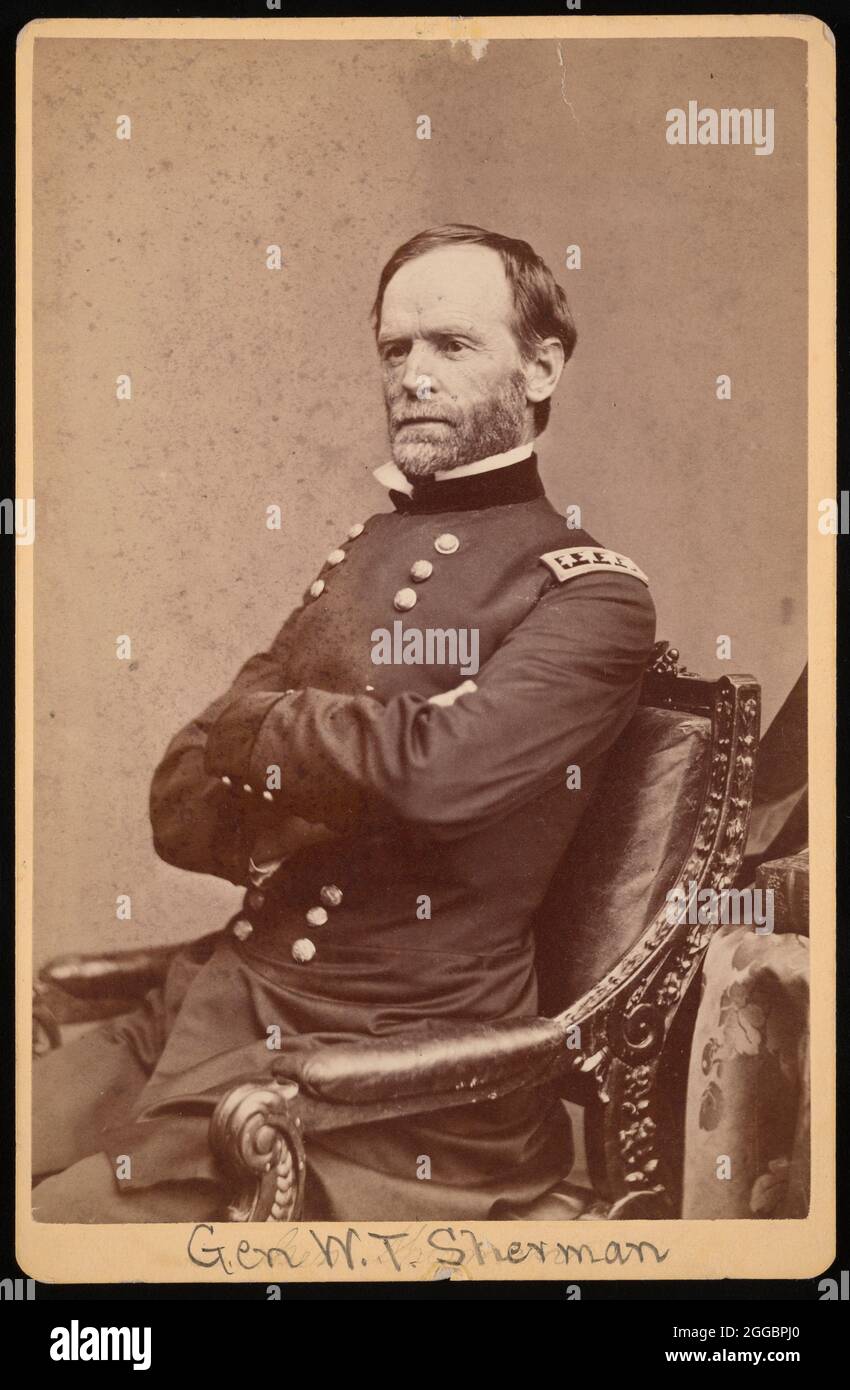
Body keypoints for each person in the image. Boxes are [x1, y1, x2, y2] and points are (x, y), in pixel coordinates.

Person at [32, 224, 656, 1221]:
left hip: (386, 1073)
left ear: (541, 369)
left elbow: (436, 779)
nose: (410, 376)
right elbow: (178, 807)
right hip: (218, 1002)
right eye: (394, 349)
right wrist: (350, 743)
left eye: (450, 346)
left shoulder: (589, 594)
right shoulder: (360, 550)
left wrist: (274, 735)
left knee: (61, 1222)